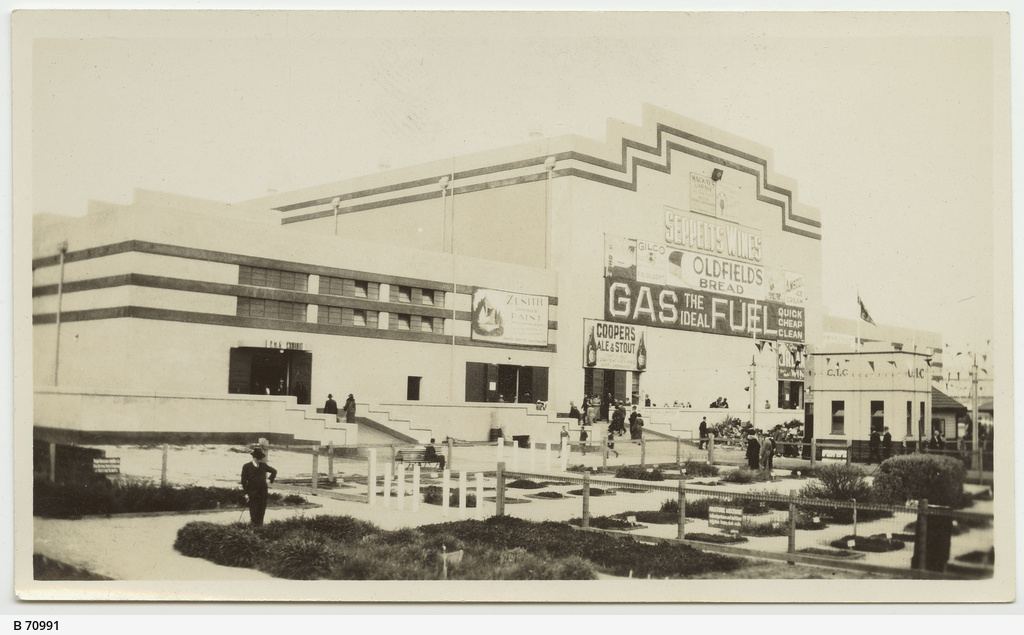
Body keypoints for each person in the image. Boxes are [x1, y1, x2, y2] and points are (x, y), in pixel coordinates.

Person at [240, 447, 277, 527]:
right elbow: (243, 481)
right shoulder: (246, 466)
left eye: (261, 458)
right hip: (252, 494)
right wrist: (246, 493)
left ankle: (260, 529)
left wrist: (269, 480)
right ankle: (254, 530)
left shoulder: (263, 466)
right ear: (254, 457)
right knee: (253, 513)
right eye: (258, 458)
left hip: (263, 494)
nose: (260, 460)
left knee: (261, 513)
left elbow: (274, 471)